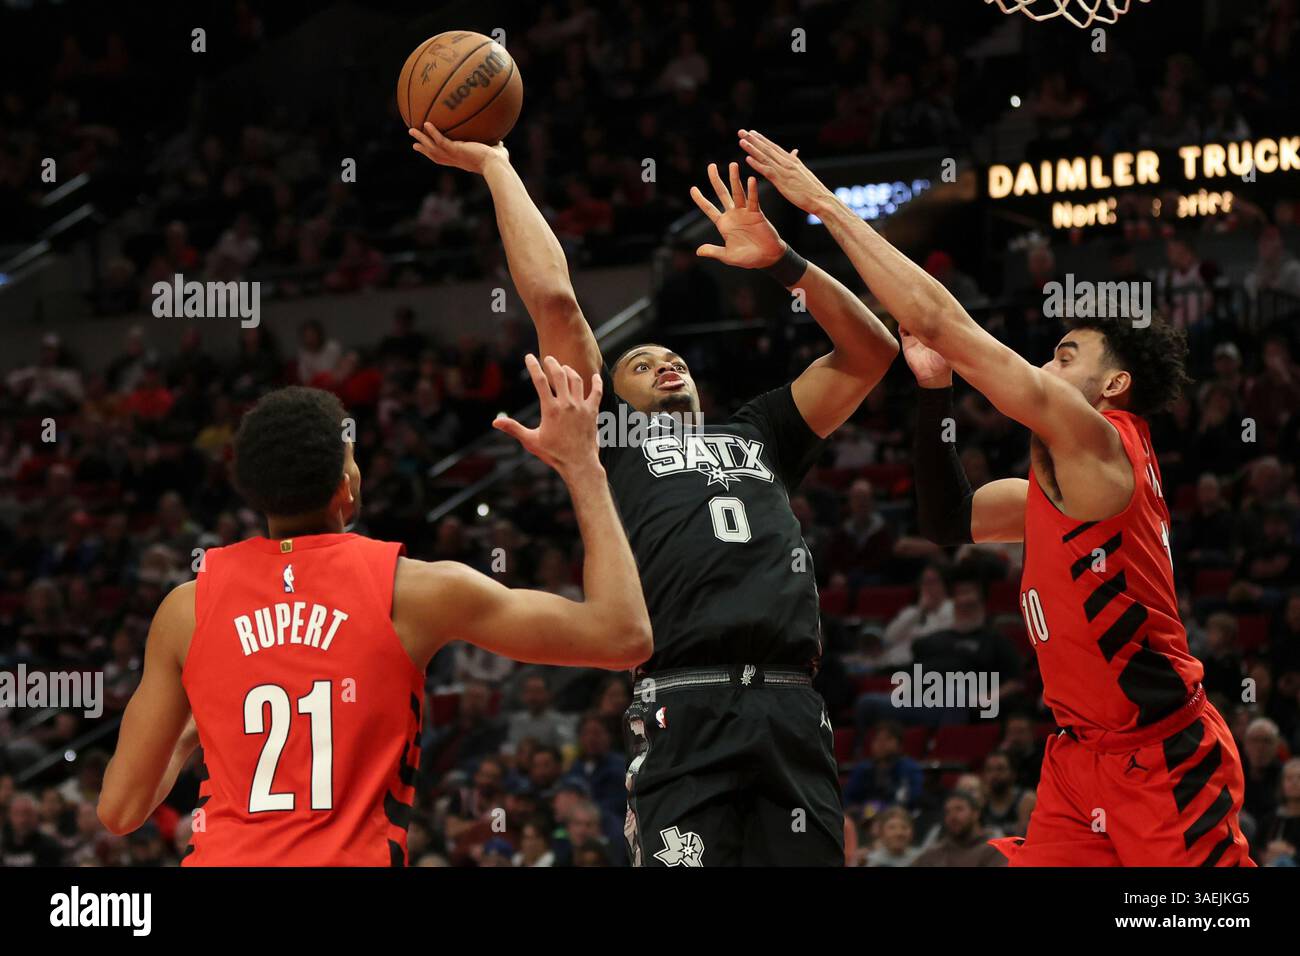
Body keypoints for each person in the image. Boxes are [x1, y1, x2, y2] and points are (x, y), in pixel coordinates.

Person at [739, 128, 1255, 867]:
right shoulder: (1054, 489)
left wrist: (820, 204)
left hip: (1161, 759)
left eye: (1066, 356)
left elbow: (946, 323)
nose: (1047, 363)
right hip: (1078, 763)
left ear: (1114, 386)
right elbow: (947, 519)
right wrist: (932, 391)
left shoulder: (1105, 445)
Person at [409, 121, 900, 866]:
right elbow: (555, 304)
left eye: (675, 359)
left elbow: (872, 352)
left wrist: (786, 263)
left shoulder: (758, 431)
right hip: (684, 698)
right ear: (614, 392)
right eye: (642, 363)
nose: (667, 364)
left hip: (790, 705)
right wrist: (499, 166)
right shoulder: (606, 440)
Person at [97, 364, 652, 866]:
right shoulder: (414, 590)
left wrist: (195, 734)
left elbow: (119, 811)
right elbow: (622, 635)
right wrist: (582, 465)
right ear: (347, 488)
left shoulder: (187, 608)